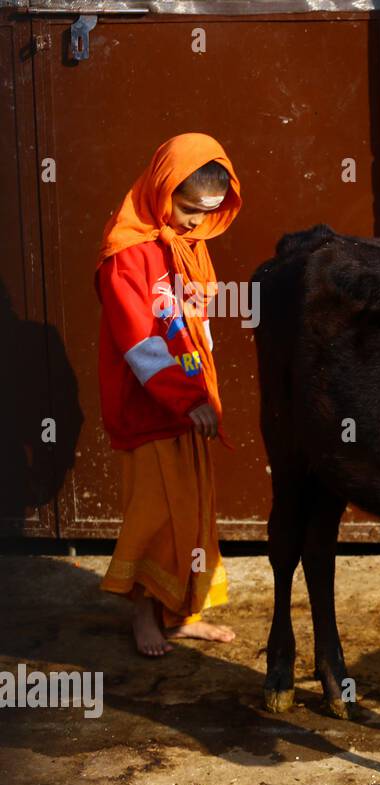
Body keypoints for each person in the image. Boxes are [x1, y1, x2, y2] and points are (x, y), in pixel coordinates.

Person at [96, 133, 242, 656]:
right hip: (150, 408)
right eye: (186, 209)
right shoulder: (126, 256)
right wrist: (185, 398)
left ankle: (180, 614)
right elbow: (141, 343)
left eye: (207, 213)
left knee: (192, 513)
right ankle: (142, 614)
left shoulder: (189, 247)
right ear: (160, 190)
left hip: (189, 406)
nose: (195, 222)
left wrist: (204, 395)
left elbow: (195, 327)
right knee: (154, 514)